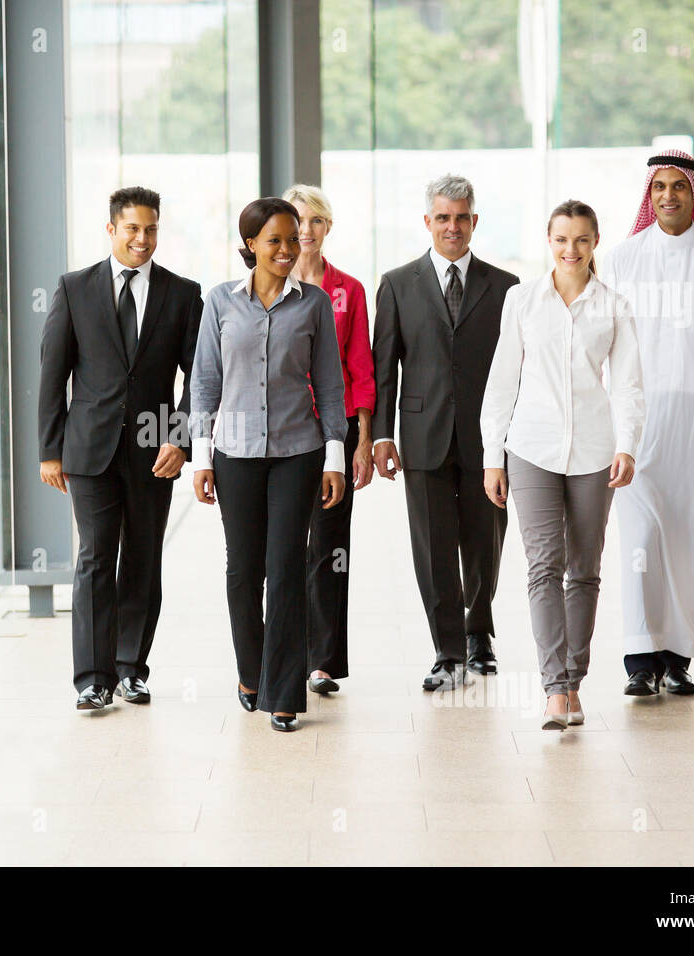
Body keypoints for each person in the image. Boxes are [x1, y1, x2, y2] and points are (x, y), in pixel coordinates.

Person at [480, 199, 645, 730]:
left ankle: (574, 681)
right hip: (531, 448)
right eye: (560, 240)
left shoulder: (614, 306)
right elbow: (502, 381)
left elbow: (628, 384)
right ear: (547, 242)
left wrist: (628, 445)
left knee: (585, 571)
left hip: (595, 452)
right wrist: (493, 457)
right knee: (543, 567)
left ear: (595, 242)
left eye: (580, 240)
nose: (570, 250)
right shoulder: (522, 300)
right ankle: (555, 688)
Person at [38, 186, 203, 711]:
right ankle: (92, 677)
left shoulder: (183, 294)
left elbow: (198, 377)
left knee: (143, 559)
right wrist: (49, 449)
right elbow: (52, 373)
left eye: (151, 229)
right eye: (132, 228)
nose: (143, 239)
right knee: (93, 559)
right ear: (111, 230)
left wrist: (180, 438)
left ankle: (132, 669)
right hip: (88, 449)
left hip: (155, 447)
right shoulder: (74, 288)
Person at [190, 197, 347, 732]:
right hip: (233, 455)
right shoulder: (219, 303)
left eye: (293, 237)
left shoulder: (315, 305)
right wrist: (201, 457)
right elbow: (205, 384)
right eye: (275, 240)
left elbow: (329, 386)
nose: (287, 249)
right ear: (251, 244)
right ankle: (250, 671)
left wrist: (335, 458)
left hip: (297, 454)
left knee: (284, 569)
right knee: (243, 571)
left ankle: (283, 692)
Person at [599, 149, 694, 697]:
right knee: (639, 536)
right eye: (659, 186)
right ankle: (640, 657)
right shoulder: (620, 259)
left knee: (691, 535)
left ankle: (678, 657)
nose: (668, 195)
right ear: (648, 194)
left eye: (678, 187)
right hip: (638, 422)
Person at [372, 174, 519, 690]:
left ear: (474, 221)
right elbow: (384, 366)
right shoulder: (396, 283)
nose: (452, 227)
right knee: (433, 546)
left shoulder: (506, 288)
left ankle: (480, 635)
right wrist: (381, 436)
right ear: (427, 222)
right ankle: (446, 649)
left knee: (485, 543)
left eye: (461, 217)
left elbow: (517, 368)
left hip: (489, 440)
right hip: (422, 434)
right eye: (443, 218)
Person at [282, 184, 375, 696]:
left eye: (315, 221)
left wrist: (362, 440)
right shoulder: (269, 286)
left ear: (327, 227)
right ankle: (288, 654)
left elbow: (361, 369)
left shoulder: (349, 291)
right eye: (297, 220)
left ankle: (323, 660)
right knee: (286, 549)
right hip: (284, 436)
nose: (306, 230)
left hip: (333, 438)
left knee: (329, 548)